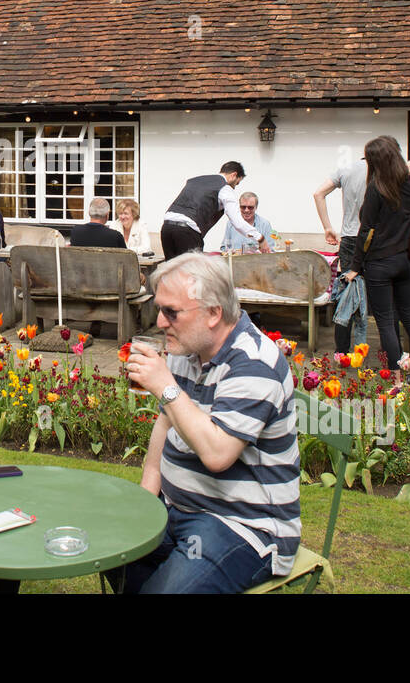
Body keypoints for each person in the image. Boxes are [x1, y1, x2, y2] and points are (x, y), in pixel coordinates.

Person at [114, 252, 299, 593]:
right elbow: (166, 424)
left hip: (242, 527)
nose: (160, 322)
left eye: (172, 312)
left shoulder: (254, 363)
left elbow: (217, 454)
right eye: (159, 309)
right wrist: (146, 495)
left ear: (214, 313)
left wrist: (166, 387)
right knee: (111, 547)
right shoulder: (190, 346)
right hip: (179, 509)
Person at [342, 136, 410, 388]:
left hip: (380, 264)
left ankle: (397, 379)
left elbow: (365, 231)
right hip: (403, 261)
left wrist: (355, 267)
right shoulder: (407, 184)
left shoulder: (376, 189)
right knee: (409, 317)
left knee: (385, 323)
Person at [314, 159, 368, 354]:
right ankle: (369, 350)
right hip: (374, 239)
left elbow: (318, 193)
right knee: (378, 296)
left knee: (347, 294)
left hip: (350, 239)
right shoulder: (384, 168)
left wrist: (328, 227)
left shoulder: (346, 168)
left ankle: (341, 352)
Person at [160, 161, 261, 260]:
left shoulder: (195, 180)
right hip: (187, 231)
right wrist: (260, 238)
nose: (234, 187)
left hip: (167, 227)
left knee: (172, 271)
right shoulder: (225, 188)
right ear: (234, 175)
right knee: (192, 272)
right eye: (236, 183)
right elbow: (237, 222)